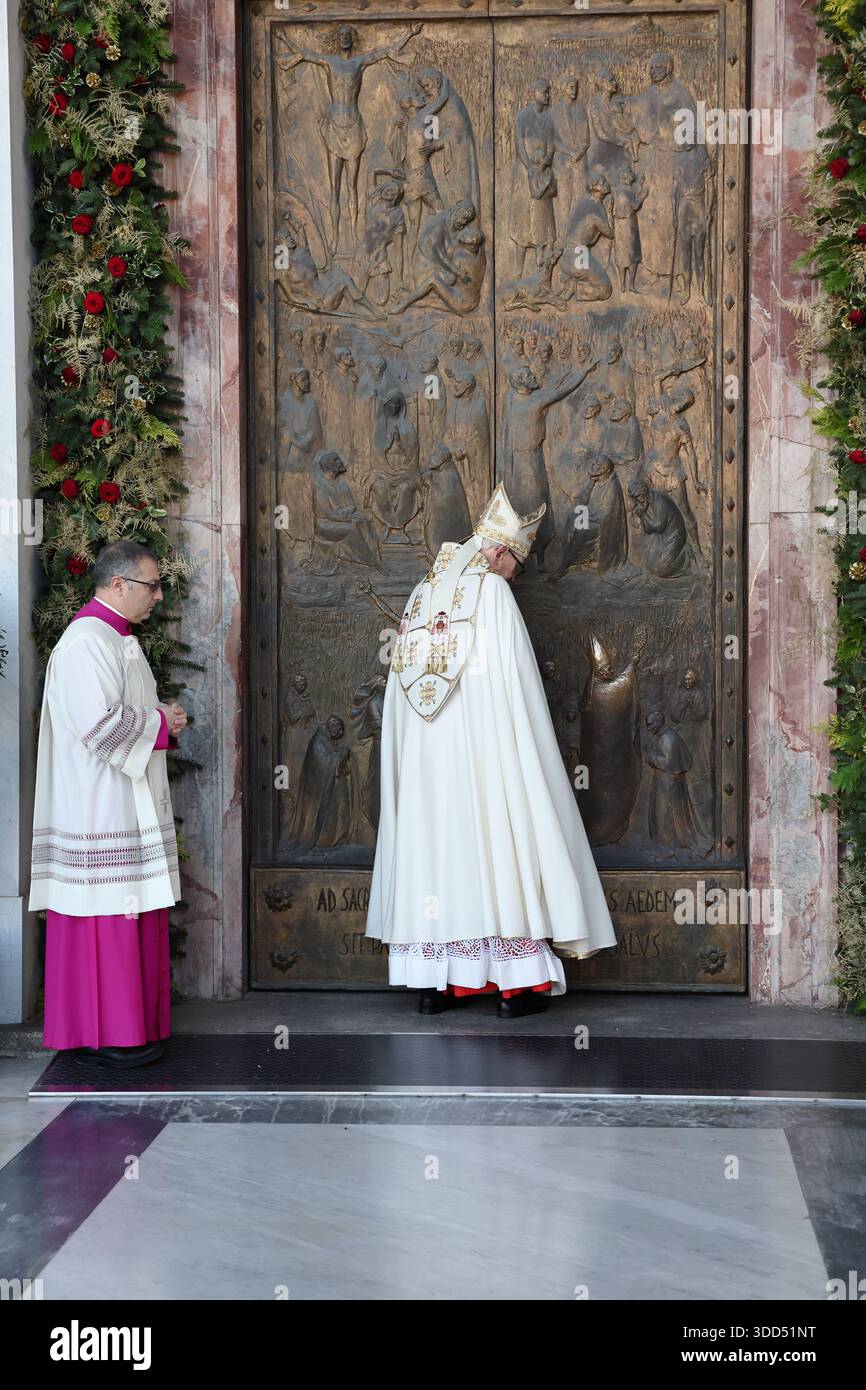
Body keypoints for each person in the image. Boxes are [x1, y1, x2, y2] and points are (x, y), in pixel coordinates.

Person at [365, 483, 616, 1017]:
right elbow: (517, 686)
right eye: (516, 567)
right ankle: (513, 982)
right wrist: (530, 756)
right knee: (495, 845)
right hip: (483, 753)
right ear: (500, 551)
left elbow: (401, 691)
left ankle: (444, 982)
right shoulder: (492, 592)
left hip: (427, 760)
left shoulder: (420, 593)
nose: (514, 578)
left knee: (440, 859)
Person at [29, 541, 187, 1067]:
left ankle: (136, 1026)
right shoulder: (85, 642)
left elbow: (123, 712)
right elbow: (100, 727)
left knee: (130, 911)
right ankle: (111, 1036)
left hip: (123, 800)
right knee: (107, 916)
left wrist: (160, 714)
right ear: (117, 585)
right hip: (98, 808)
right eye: (152, 586)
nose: (158, 596)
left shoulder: (118, 639)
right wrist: (161, 723)